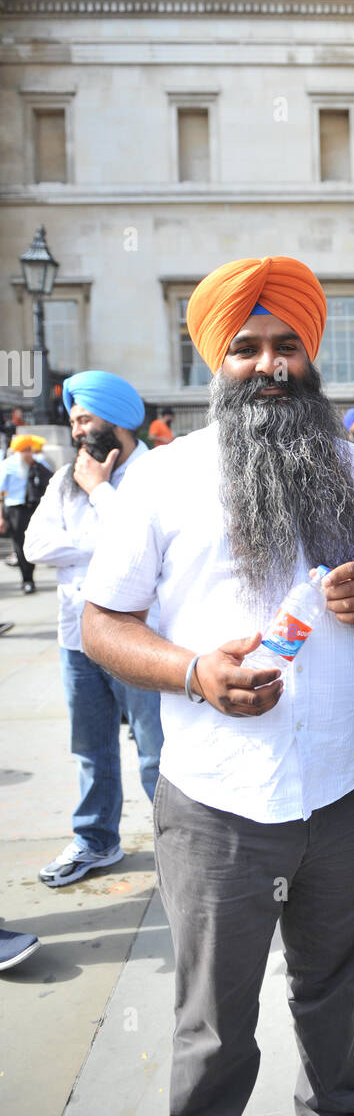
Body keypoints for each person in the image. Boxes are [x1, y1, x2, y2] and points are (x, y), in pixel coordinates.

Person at [80, 256, 354, 1116]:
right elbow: (101, 623)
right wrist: (195, 671)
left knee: (334, 991)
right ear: (216, 362)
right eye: (246, 348)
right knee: (212, 1013)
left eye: (287, 345)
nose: (268, 364)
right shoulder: (161, 479)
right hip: (216, 804)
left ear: (310, 356)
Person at [24, 371, 164, 887]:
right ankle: (96, 840)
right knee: (90, 748)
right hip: (77, 639)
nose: (77, 430)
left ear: (119, 418)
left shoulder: (156, 473)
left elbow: (140, 545)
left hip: (139, 638)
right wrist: (100, 546)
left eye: (85, 419)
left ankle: (181, 845)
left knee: (157, 752)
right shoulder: (66, 477)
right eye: (74, 420)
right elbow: (35, 547)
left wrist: (100, 492)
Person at [0, 434, 54, 594]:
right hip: (16, 509)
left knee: (34, 542)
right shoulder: (8, 465)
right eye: (27, 450)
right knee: (20, 545)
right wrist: (1, 517)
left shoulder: (39, 463)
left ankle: (30, 573)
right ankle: (27, 579)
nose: (30, 453)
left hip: (34, 507)